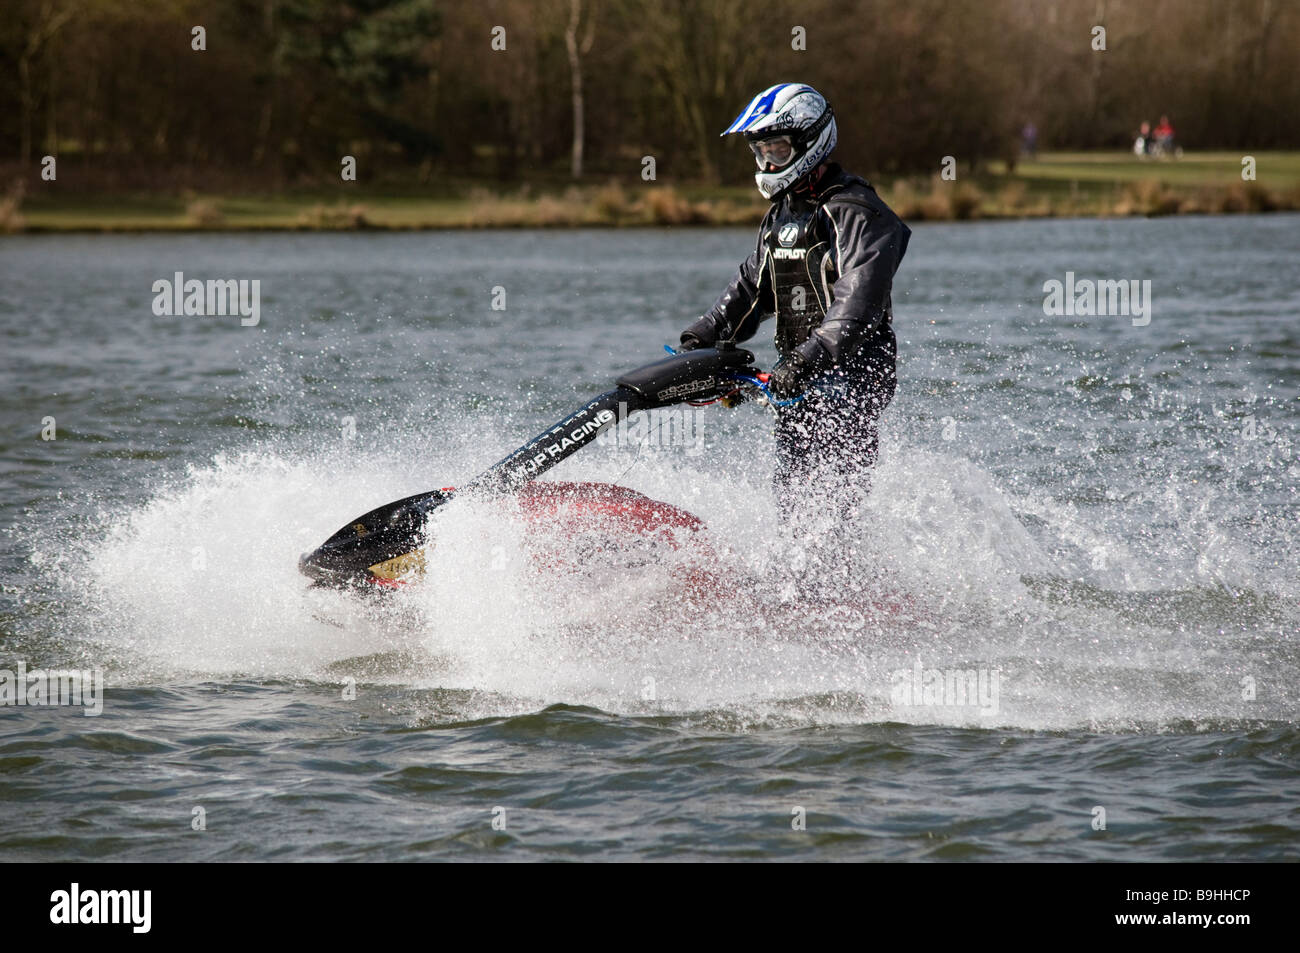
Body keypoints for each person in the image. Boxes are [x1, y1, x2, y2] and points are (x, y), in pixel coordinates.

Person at [676, 83, 910, 526]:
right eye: (761, 152)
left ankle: (837, 582)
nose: (767, 164)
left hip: (851, 380)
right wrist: (703, 336)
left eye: (777, 151)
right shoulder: (783, 212)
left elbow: (857, 305)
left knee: (828, 502)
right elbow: (751, 287)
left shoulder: (857, 211)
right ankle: (796, 584)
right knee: (792, 497)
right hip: (799, 379)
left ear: (810, 142)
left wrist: (807, 360)